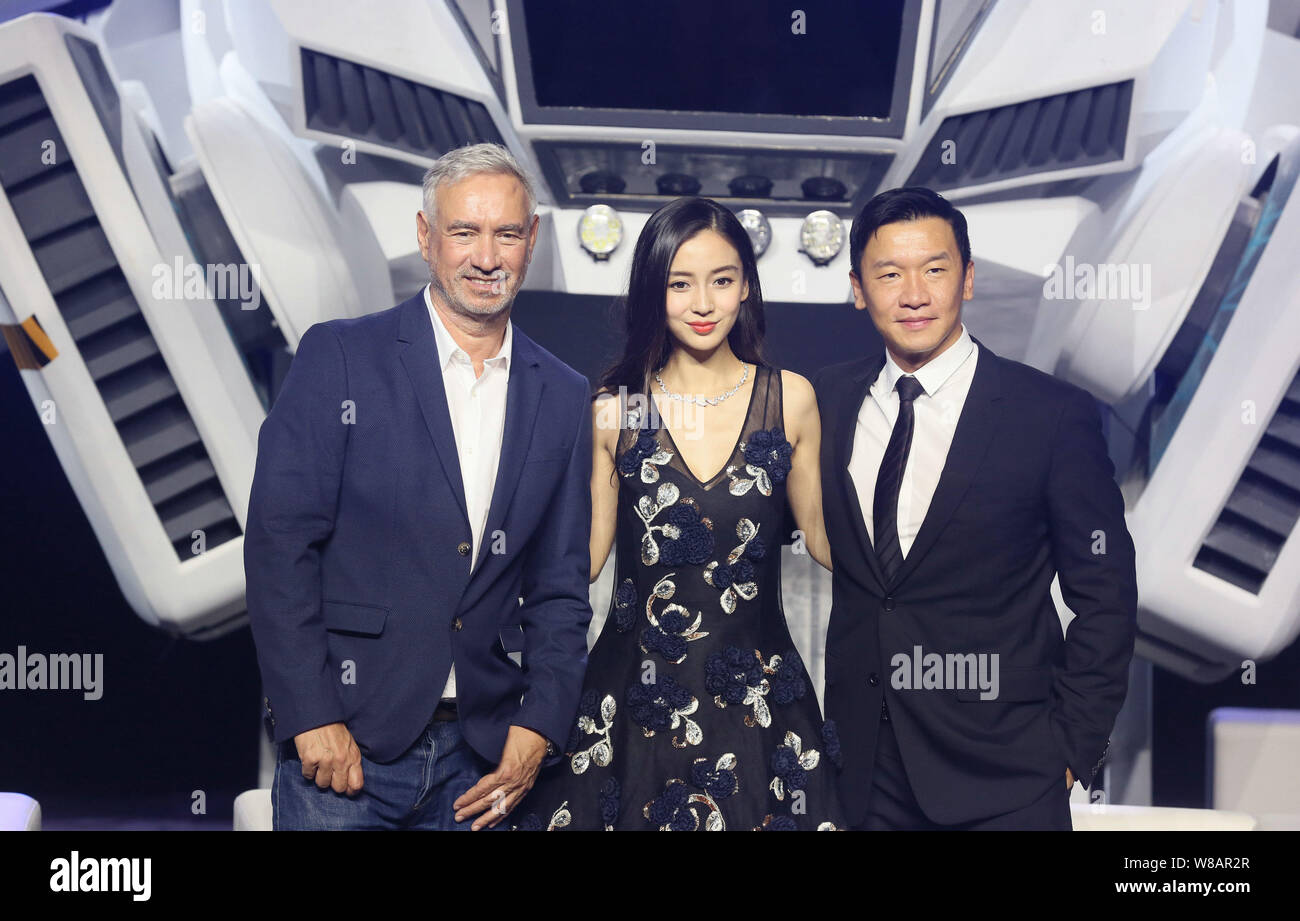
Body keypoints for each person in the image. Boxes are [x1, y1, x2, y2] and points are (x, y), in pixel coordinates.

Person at [244, 143, 593, 830]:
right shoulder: (340, 357)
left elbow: (559, 588)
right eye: (465, 232)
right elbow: (279, 545)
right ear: (426, 237)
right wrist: (311, 713)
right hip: (346, 753)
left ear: (533, 242)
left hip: (483, 760)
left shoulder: (562, 393)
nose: (486, 256)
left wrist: (540, 727)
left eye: (507, 234)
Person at [512, 197, 844, 830]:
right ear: (651, 291)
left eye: (721, 281)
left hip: (758, 704)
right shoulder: (617, 409)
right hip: (632, 703)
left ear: (746, 286)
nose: (703, 303)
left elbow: (825, 540)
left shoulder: (791, 399)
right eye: (679, 283)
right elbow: (583, 561)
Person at [814, 186, 1137, 830]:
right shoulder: (822, 401)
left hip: (1006, 778)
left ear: (967, 279)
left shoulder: (1049, 415)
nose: (914, 293)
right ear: (857, 288)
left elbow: (1106, 594)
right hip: (862, 779)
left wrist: (1070, 749)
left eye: (935, 269)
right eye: (889, 274)